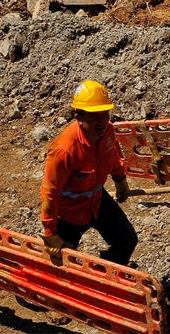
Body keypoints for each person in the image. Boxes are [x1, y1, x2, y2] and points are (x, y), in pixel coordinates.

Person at [40, 80, 136, 266]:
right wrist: (50, 233)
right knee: (63, 263)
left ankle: (103, 276)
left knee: (127, 240)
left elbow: (112, 155)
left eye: (104, 114)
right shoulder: (64, 150)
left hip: (97, 201)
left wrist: (120, 179)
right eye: (94, 116)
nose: (101, 122)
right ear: (79, 116)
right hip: (69, 212)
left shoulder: (107, 131)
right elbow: (49, 192)